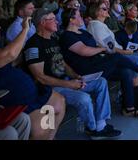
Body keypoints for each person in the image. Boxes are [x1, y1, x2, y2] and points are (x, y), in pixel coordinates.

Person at [23, 8, 121, 139]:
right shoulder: (33, 45)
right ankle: (93, 129)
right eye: (52, 19)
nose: (57, 21)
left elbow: (62, 63)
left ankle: (101, 124)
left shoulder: (53, 40)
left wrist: (76, 76)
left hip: (67, 80)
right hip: (52, 89)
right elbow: (40, 77)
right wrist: (69, 84)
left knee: (101, 82)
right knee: (84, 99)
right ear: (42, 22)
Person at [0, 8, 65, 140]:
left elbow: (5, 62)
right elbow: (8, 55)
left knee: (59, 101)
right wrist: (25, 30)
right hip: (16, 101)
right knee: (44, 125)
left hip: (31, 94)